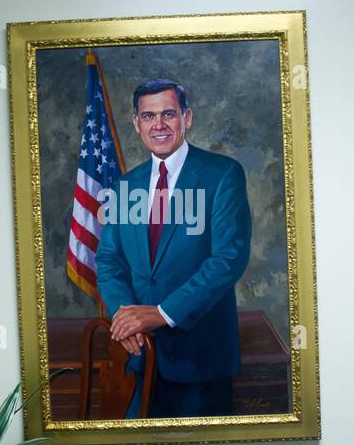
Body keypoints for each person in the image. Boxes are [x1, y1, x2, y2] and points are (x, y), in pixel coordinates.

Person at [96, 78, 252, 418]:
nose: (159, 125)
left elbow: (228, 259)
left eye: (169, 113)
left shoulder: (222, 174)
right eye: (149, 116)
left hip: (200, 361)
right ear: (137, 123)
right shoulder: (125, 185)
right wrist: (126, 318)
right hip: (137, 358)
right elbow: (109, 260)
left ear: (187, 117)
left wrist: (163, 313)